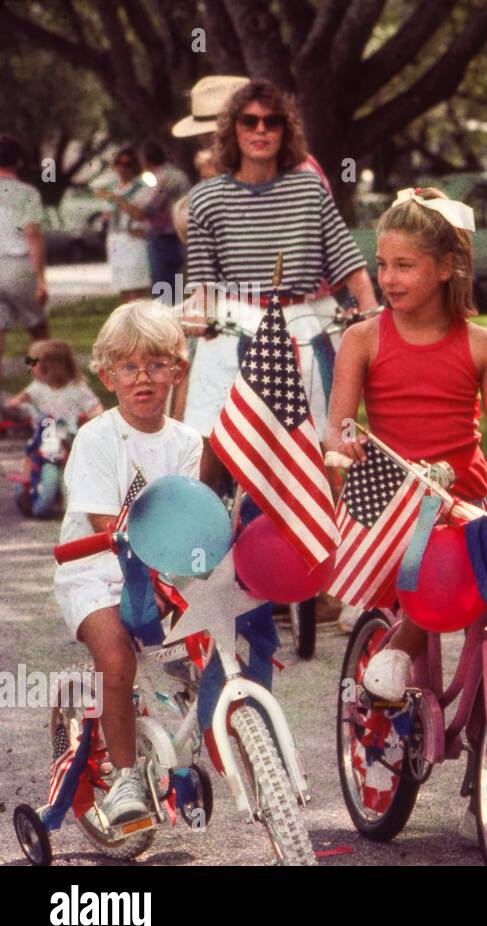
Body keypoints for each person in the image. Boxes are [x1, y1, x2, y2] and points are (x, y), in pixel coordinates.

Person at [325, 187, 487, 694]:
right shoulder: (363, 338)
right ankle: (396, 651)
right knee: (435, 580)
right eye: (382, 264)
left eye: (404, 266)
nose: (387, 279)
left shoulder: (482, 345)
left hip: (466, 501)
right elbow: (338, 423)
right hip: (396, 507)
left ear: (445, 267)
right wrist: (344, 444)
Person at [182, 80, 377, 488]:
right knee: (208, 440)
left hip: (304, 320)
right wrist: (195, 322)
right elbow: (202, 279)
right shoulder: (206, 198)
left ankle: (331, 542)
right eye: (249, 121)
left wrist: (372, 314)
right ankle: (198, 537)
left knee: (328, 443)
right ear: (232, 129)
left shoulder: (308, 187)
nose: (260, 130)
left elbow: (346, 260)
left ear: (285, 130)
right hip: (235, 315)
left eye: (272, 122)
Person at [52, 301, 200, 825]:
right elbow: (101, 524)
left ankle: (222, 743)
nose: (144, 379)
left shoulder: (186, 441)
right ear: (108, 375)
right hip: (94, 572)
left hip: (160, 571)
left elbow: (187, 513)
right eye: (129, 368)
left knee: (215, 639)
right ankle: (125, 776)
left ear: (176, 372)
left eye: (157, 365)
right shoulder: (97, 437)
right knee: (116, 659)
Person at [5, 339, 102, 517]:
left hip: (68, 435)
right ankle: (27, 481)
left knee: (78, 462)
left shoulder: (77, 388)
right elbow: (23, 397)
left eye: (34, 362)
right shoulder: (39, 387)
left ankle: (74, 496)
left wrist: (94, 416)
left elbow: (94, 406)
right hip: (44, 434)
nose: (31, 366)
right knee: (31, 452)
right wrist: (15, 404)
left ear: (52, 366)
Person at [0, 133, 50, 369]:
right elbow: (32, 235)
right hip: (18, 267)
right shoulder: (27, 193)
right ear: (19, 161)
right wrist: (41, 279)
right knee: (39, 333)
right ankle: (40, 376)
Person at [95, 147, 152, 302]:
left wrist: (116, 199)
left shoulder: (141, 188)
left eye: (127, 164)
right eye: (119, 164)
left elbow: (139, 214)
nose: (122, 168)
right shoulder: (112, 187)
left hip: (133, 239)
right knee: (123, 285)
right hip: (115, 239)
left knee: (137, 285)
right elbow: (107, 213)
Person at [138, 140, 190, 293]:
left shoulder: (162, 177)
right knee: (174, 284)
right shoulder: (177, 174)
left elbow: (150, 206)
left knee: (163, 284)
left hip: (164, 235)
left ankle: (165, 315)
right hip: (178, 232)